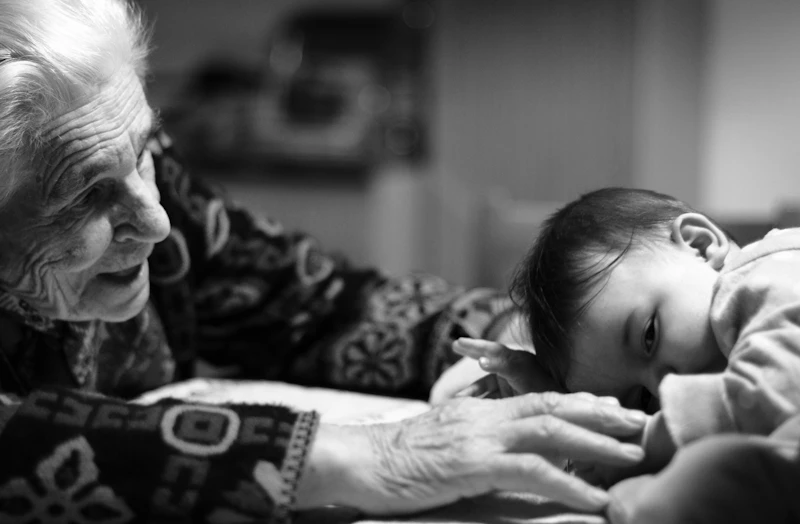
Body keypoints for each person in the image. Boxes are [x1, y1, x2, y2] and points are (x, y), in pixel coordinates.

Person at [0, 1, 651, 522]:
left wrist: (534, 335)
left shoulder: (140, 181)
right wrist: (362, 459)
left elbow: (310, 304)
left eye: (144, 151)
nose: (156, 221)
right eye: (85, 195)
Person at [450, 186, 800, 482]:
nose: (665, 388)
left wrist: (641, 442)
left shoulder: (769, 275)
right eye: (645, 399)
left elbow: (774, 393)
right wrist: (573, 419)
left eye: (649, 336)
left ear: (700, 245)